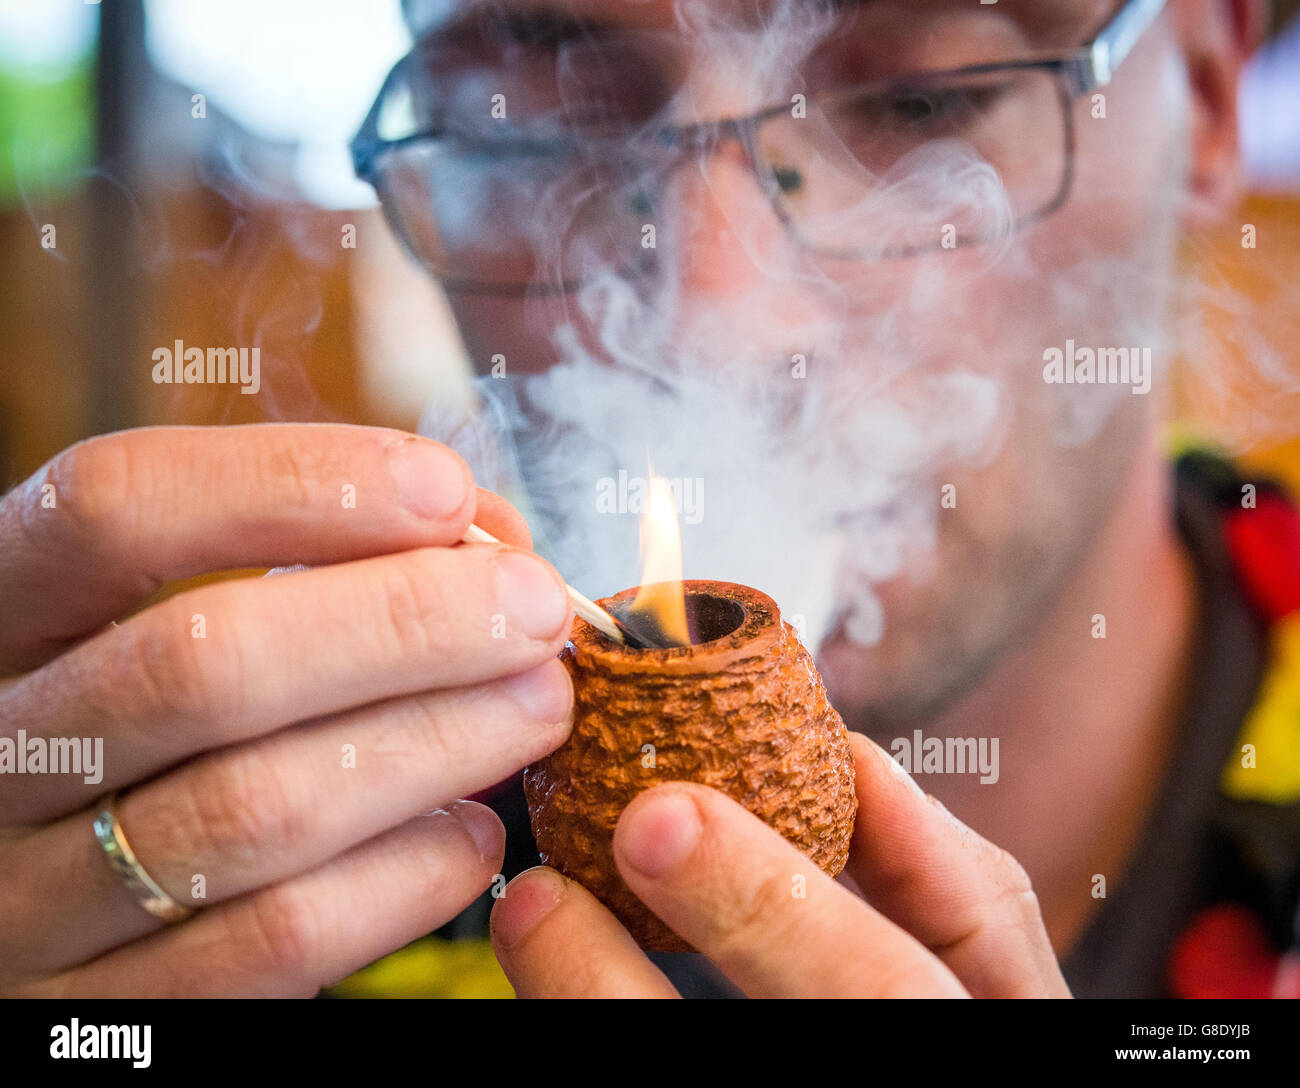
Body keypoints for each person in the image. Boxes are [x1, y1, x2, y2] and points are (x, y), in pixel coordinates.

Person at [0, 0, 1292, 999]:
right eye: (533, 115)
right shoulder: (276, 865)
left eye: (913, 99)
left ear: (1209, 91)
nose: (716, 318)